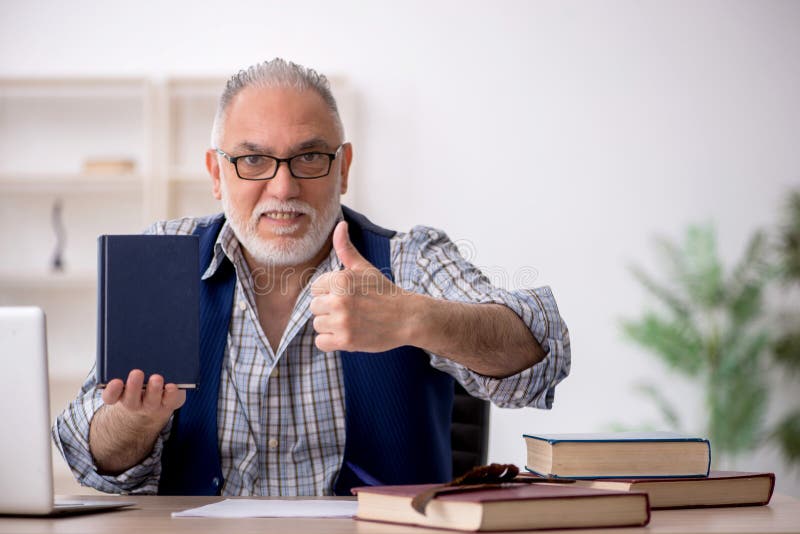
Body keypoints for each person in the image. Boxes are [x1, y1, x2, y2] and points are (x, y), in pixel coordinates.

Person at [53, 58, 571, 496]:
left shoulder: (410, 258)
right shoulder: (166, 256)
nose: (283, 187)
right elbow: (87, 453)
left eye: (309, 157)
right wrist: (136, 422)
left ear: (343, 168)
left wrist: (414, 317)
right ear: (216, 174)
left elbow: (540, 353)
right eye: (253, 159)